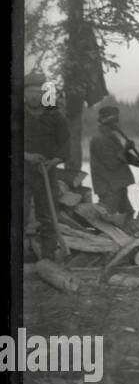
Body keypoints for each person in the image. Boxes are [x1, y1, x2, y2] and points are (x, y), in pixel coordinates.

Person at [22, 71, 69, 260]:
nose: (34, 96)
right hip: (22, 173)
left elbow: (65, 143)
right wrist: (27, 156)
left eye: (38, 92)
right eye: (30, 92)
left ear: (44, 94)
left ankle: (48, 257)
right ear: (24, 94)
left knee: (48, 215)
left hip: (46, 172)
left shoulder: (55, 116)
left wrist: (55, 161)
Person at [89, 105, 139, 224]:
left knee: (128, 214)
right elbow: (112, 163)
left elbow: (120, 156)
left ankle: (128, 237)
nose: (116, 123)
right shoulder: (99, 139)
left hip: (118, 184)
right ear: (105, 121)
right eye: (113, 120)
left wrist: (138, 161)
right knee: (106, 219)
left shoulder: (111, 136)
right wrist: (126, 148)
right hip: (108, 187)